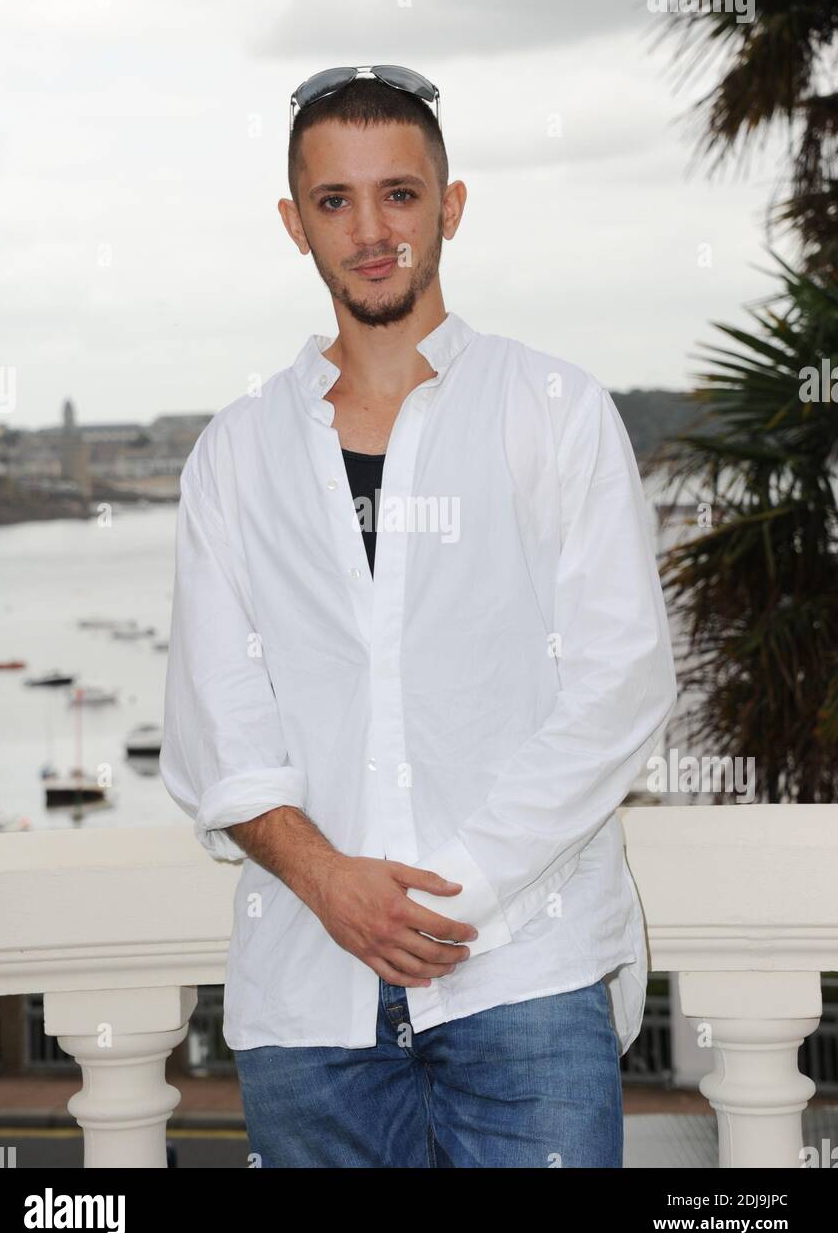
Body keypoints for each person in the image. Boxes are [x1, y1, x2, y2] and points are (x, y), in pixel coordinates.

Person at [159, 65, 678, 1168]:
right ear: (296, 225)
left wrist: (462, 894)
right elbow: (217, 727)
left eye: (399, 193)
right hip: (309, 1006)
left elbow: (621, 684)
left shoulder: (557, 414)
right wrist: (331, 883)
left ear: (450, 205)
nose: (372, 229)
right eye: (336, 201)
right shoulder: (235, 456)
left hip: (525, 977)